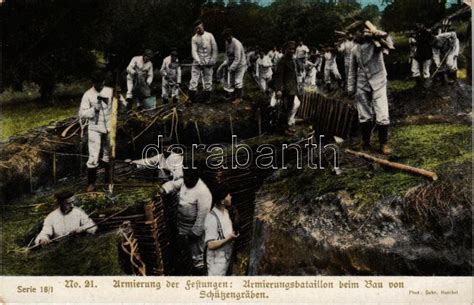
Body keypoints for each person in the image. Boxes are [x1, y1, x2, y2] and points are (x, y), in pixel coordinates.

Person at [347, 23, 394, 155]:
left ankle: (383, 143)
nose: (353, 36)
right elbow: (352, 70)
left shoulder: (376, 43)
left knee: (382, 112)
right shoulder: (354, 49)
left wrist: (378, 32)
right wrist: (351, 88)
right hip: (362, 84)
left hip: (378, 80)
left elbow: (389, 43)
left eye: (356, 33)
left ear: (363, 32)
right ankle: (365, 141)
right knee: (364, 113)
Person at [79, 71, 125, 192]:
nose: (99, 86)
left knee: (109, 154)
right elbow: (82, 114)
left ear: (104, 82)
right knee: (93, 155)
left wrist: (119, 97)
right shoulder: (88, 95)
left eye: (101, 83)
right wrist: (94, 109)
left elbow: (123, 106)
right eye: (97, 83)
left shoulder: (110, 91)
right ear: (93, 83)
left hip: (110, 127)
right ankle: (91, 183)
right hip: (95, 128)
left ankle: (109, 179)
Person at [161, 167, 212, 273]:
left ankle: (199, 274)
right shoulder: (185, 182)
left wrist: (193, 233)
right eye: (186, 176)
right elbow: (173, 184)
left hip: (194, 230)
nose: (187, 179)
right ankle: (185, 271)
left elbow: (202, 218)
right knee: (183, 252)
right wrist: (163, 189)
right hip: (182, 226)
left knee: (196, 255)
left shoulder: (203, 192)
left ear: (196, 177)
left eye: (190, 177)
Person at [204, 186, 239, 276]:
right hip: (216, 263)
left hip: (226, 257)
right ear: (222, 201)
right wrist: (229, 238)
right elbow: (210, 245)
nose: (230, 197)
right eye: (228, 195)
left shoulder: (226, 213)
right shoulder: (211, 218)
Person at [273, 41, 300, 136]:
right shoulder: (282, 61)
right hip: (285, 90)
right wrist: (278, 89)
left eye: (293, 49)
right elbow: (278, 77)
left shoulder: (292, 60)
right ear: (286, 50)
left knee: (289, 108)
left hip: (291, 89)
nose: (292, 51)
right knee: (284, 110)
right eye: (290, 49)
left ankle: (287, 127)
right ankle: (283, 129)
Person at [189, 20, 218, 104]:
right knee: (194, 80)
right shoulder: (194, 38)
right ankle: (192, 99)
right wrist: (198, 61)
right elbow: (194, 51)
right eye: (196, 29)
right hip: (197, 61)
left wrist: (212, 60)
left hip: (208, 61)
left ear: (202, 26)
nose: (198, 30)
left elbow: (215, 49)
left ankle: (207, 98)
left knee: (208, 79)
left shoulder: (210, 35)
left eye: (199, 27)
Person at [217, 28, 247, 104]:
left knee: (238, 81)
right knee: (232, 81)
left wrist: (231, 68)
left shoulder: (236, 43)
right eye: (225, 38)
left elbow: (238, 58)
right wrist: (225, 63)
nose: (226, 39)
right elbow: (227, 55)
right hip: (231, 63)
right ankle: (234, 95)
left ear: (230, 35)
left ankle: (239, 98)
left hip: (240, 64)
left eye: (227, 37)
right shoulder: (226, 42)